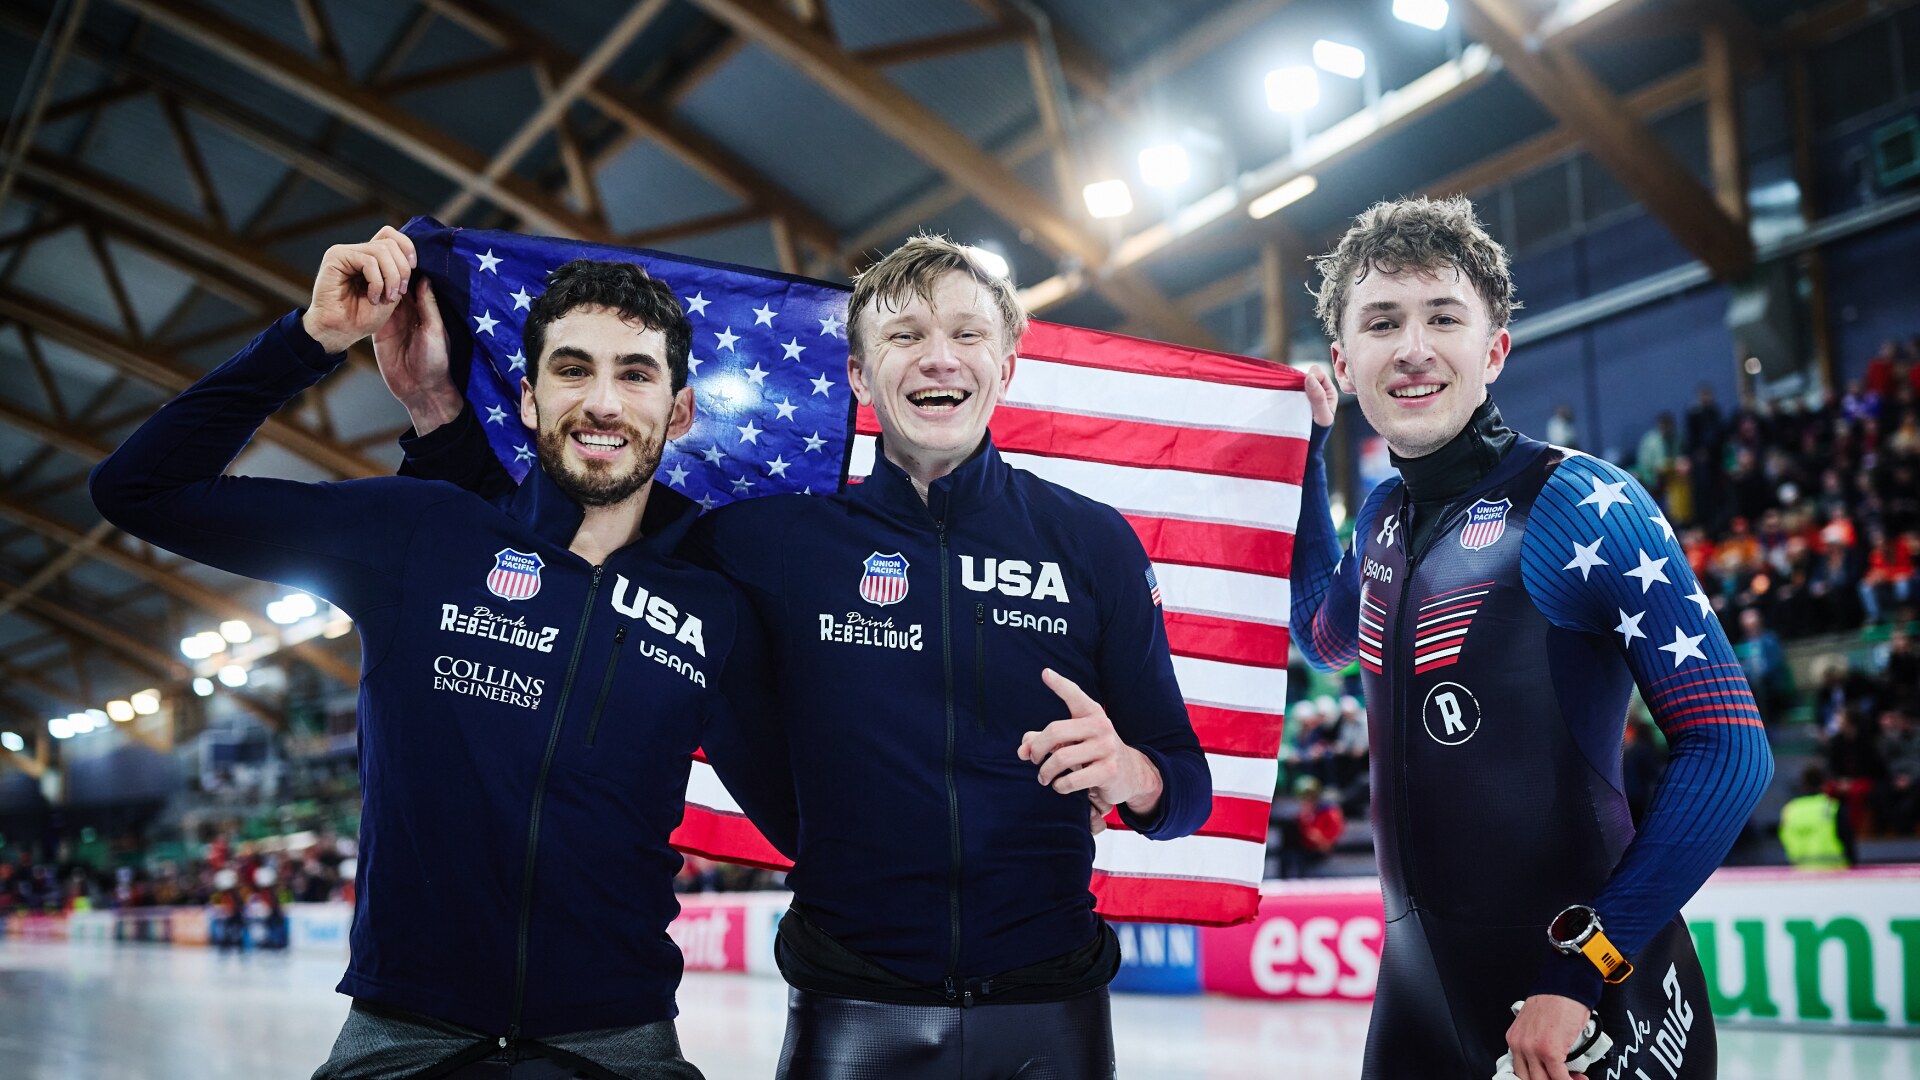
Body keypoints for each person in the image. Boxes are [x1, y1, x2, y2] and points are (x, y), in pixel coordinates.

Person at [390, 233, 1210, 1078]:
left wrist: (1135, 776)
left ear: (1006, 367)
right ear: (858, 374)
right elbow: (568, 527)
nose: (939, 359)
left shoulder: (1093, 543)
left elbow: (1189, 786)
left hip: (1052, 1011)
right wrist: (437, 416)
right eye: (904, 337)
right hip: (850, 1010)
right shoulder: (773, 542)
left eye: (968, 335)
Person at [90, 227, 796, 1080]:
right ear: (529, 398)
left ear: (678, 411)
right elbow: (140, 491)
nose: (604, 402)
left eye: (635, 373)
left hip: (620, 1047)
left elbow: (812, 821)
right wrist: (309, 341)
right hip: (405, 1043)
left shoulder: (713, 605)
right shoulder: (420, 533)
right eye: (574, 369)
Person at [1289, 196, 1772, 1080]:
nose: (1413, 347)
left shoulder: (1584, 502)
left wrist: (1587, 963)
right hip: (1416, 1005)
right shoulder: (1381, 520)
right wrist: (1302, 459)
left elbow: (1730, 752)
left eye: (1444, 317)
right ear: (1343, 364)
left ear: (1495, 349)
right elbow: (1323, 633)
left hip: (1585, 1009)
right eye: (1382, 322)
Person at [1779, 765, 1852, 869]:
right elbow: (1847, 840)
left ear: (1803, 784)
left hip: (1800, 874)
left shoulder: (1790, 809)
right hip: (1834, 873)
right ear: (1824, 783)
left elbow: (1784, 837)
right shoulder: (1831, 807)